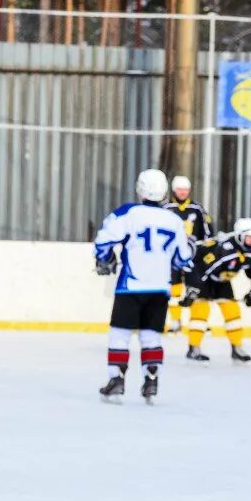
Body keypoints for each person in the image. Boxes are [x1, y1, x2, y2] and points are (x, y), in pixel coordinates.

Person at [93, 168, 193, 403]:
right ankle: (151, 380)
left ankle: (117, 379)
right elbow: (183, 258)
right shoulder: (174, 220)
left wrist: (104, 258)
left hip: (131, 285)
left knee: (120, 334)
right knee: (151, 336)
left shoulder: (129, 213)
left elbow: (103, 240)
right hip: (160, 287)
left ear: (140, 188)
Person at [182, 217, 251, 362]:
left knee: (232, 309)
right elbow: (203, 268)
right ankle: (193, 348)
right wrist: (193, 289)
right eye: (250, 237)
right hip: (201, 276)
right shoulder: (225, 249)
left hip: (221, 280)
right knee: (201, 310)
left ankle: (237, 347)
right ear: (240, 236)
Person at [162, 175, 214, 334]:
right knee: (174, 290)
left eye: (185, 189)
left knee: (195, 288)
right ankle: (175, 322)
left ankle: (198, 322)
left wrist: (208, 245)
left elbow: (208, 231)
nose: (183, 192)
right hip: (172, 257)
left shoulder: (197, 209)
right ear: (174, 190)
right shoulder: (166, 208)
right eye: (180, 189)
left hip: (195, 257)